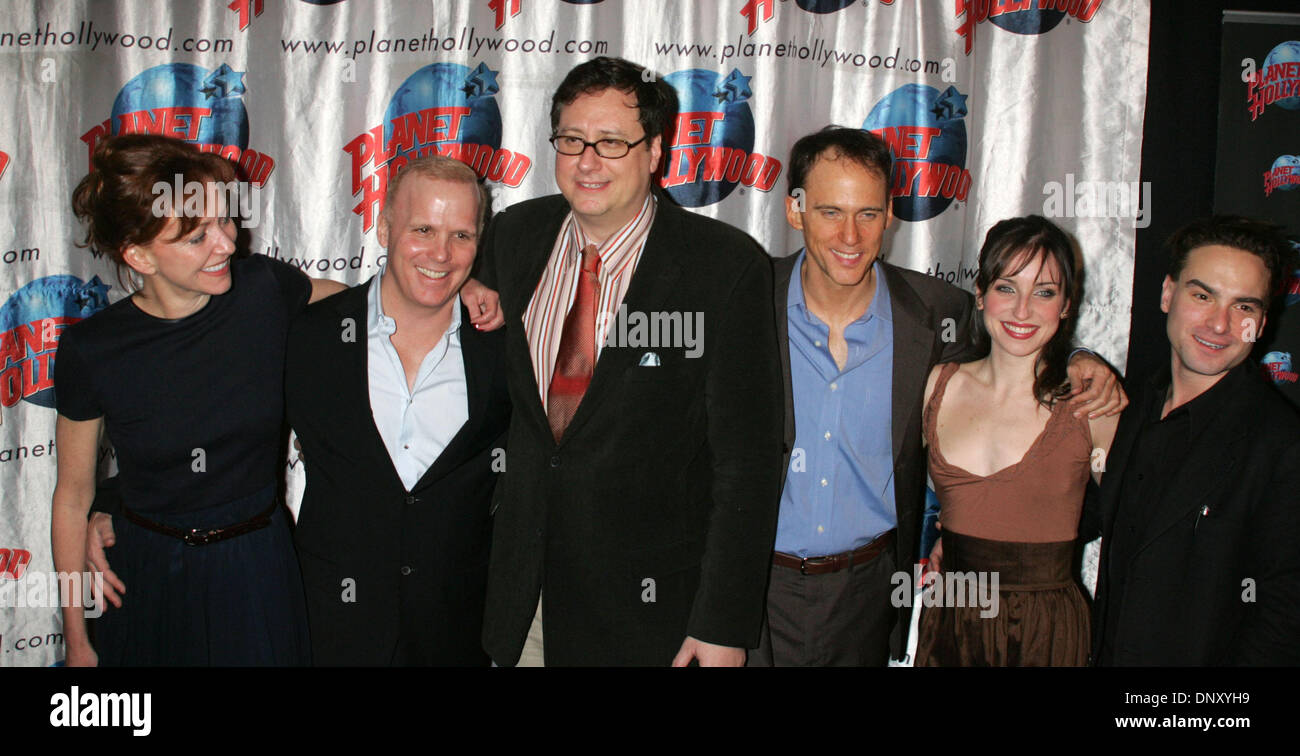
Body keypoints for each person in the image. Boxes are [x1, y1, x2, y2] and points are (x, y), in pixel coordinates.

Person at [752, 127, 1127, 667]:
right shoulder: (743, 301)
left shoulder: (937, 314)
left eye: (869, 213)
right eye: (831, 211)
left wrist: (1080, 360)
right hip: (754, 584)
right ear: (795, 211)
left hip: (871, 592)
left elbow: (1017, 351)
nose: (851, 236)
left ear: (890, 215)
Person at [476, 56, 783, 666]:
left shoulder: (723, 268)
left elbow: (746, 463)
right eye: (571, 139)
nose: (587, 161)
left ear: (655, 152)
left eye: (612, 142)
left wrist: (723, 623)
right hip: (525, 605)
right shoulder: (512, 237)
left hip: (654, 619)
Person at [52, 134, 345, 666]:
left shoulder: (263, 290)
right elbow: (71, 499)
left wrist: (453, 288)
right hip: (145, 577)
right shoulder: (92, 349)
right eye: (196, 237)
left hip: (257, 566)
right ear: (138, 254)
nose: (227, 244)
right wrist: (76, 641)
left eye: (225, 220)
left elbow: (363, 303)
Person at [284, 156, 509, 666]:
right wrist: (118, 498)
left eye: (462, 236)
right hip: (327, 631)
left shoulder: (504, 350)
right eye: (423, 229)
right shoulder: (311, 336)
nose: (441, 254)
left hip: (455, 638)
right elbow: (226, 425)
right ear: (384, 228)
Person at [1091, 215, 1300, 665]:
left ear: (1262, 325)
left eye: (1244, 307)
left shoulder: (1282, 444)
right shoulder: (1131, 405)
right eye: (1202, 295)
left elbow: (1283, 621)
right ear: (1168, 293)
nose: (1220, 324)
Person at [914, 215, 1119, 666]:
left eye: (1044, 292)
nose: (1022, 310)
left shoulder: (1092, 404)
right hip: (951, 619)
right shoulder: (937, 385)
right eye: (1007, 287)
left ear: (1066, 305)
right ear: (981, 295)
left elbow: (1139, 526)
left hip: (1045, 633)